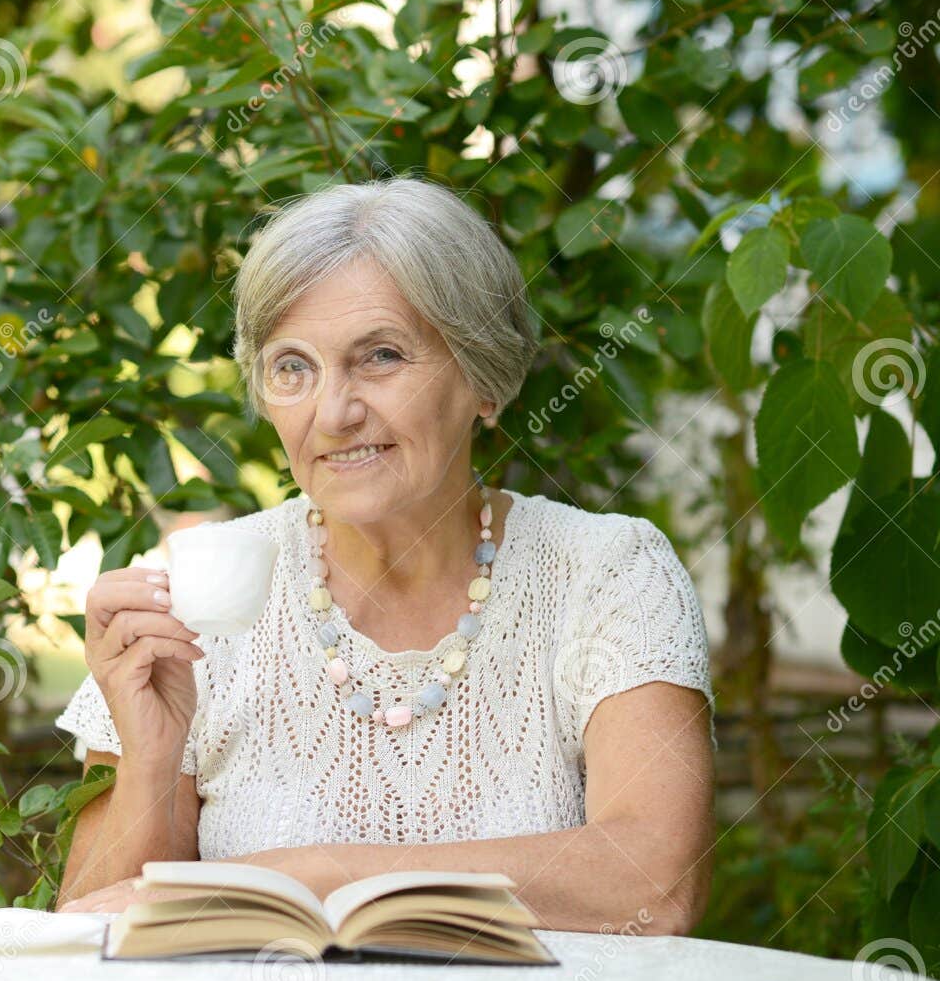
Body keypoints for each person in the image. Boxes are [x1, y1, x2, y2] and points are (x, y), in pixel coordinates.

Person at [54, 177, 715, 934]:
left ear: (484, 380)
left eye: (381, 356)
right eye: (293, 367)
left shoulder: (609, 573)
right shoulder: (203, 594)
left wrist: (301, 876)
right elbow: (88, 930)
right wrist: (148, 759)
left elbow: (654, 886)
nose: (333, 413)